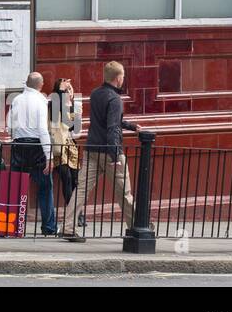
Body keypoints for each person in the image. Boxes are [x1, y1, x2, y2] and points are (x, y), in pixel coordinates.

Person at [62, 61, 139, 242]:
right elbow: (112, 127)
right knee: (124, 193)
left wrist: (132, 126)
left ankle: (67, 227)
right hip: (110, 151)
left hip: (91, 150)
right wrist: (115, 156)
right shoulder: (115, 99)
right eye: (123, 76)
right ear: (118, 78)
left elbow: (106, 121)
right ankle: (137, 227)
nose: (123, 79)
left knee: (81, 190)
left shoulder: (96, 94)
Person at [7, 72, 58, 236]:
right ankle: (49, 227)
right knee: (45, 187)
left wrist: (15, 138)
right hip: (36, 146)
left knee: (15, 187)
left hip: (19, 145)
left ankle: (12, 226)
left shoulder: (16, 100)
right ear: (41, 85)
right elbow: (43, 130)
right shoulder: (41, 101)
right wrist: (49, 156)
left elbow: (9, 125)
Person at [48, 78, 81, 208]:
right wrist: (61, 90)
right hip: (59, 146)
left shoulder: (73, 106)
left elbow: (75, 130)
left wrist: (74, 111)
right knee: (66, 179)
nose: (69, 92)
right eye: (66, 89)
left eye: (70, 89)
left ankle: (77, 212)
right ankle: (72, 214)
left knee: (75, 181)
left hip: (71, 147)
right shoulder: (54, 104)